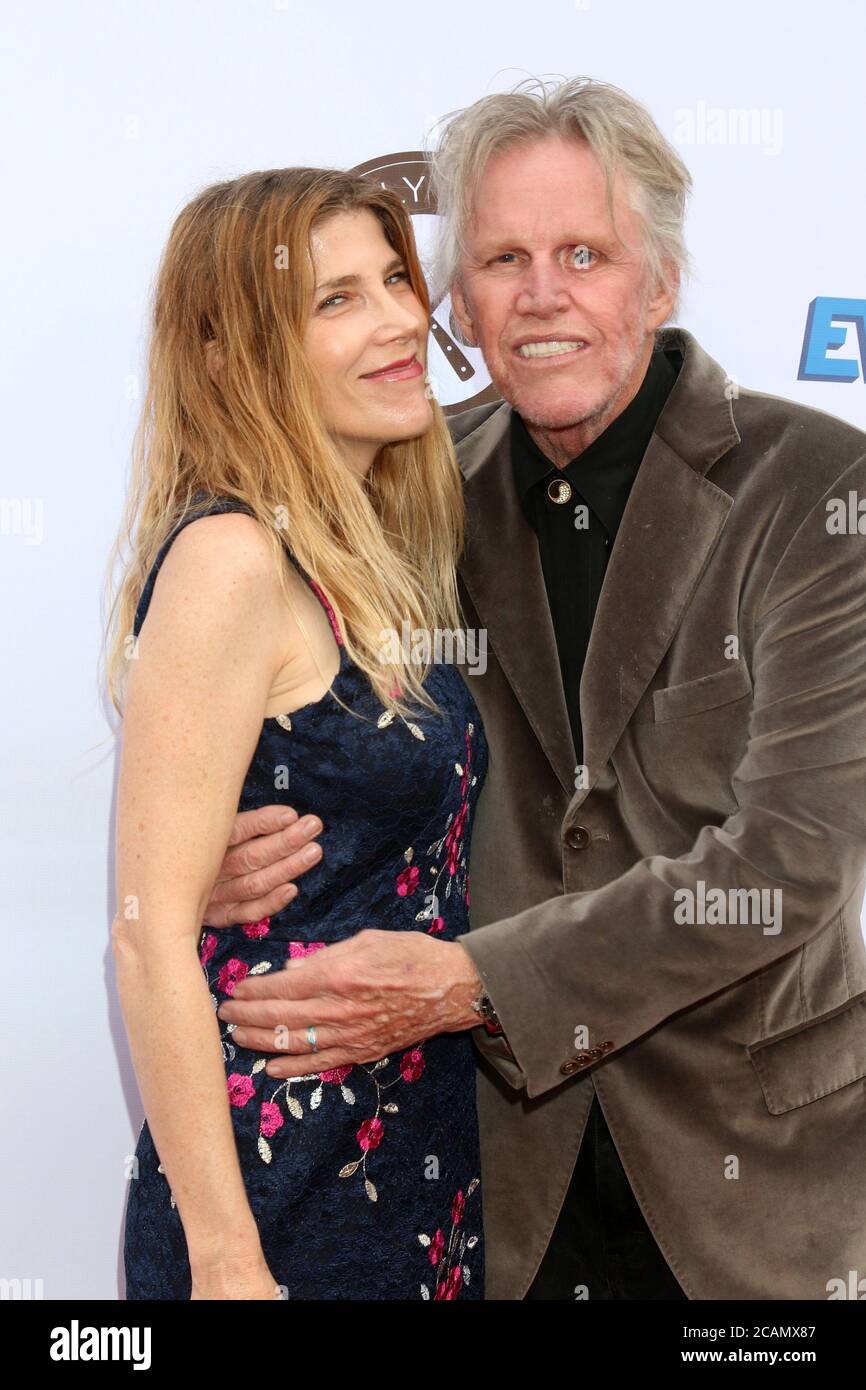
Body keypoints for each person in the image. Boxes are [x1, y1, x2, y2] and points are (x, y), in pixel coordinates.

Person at [205, 78, 866, 1301]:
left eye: (583, 253)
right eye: (503, 257)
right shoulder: (405, 490)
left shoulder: (820, 493)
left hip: (756, 1184)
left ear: (658, 282)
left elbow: (790, 861)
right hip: (484, 1173)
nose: (541, 294)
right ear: (457, 300)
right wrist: (211, 854)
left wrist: (473, 981)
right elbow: (305, 738)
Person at [106, 167, 489, 1300]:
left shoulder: (374, 550)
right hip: (285, 1204)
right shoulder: (232, 559)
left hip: (411, 1176)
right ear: (229, 356)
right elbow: (144, 940)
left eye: (392, 280)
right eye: (336, 301)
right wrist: (228, 1263)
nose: (400, 319)